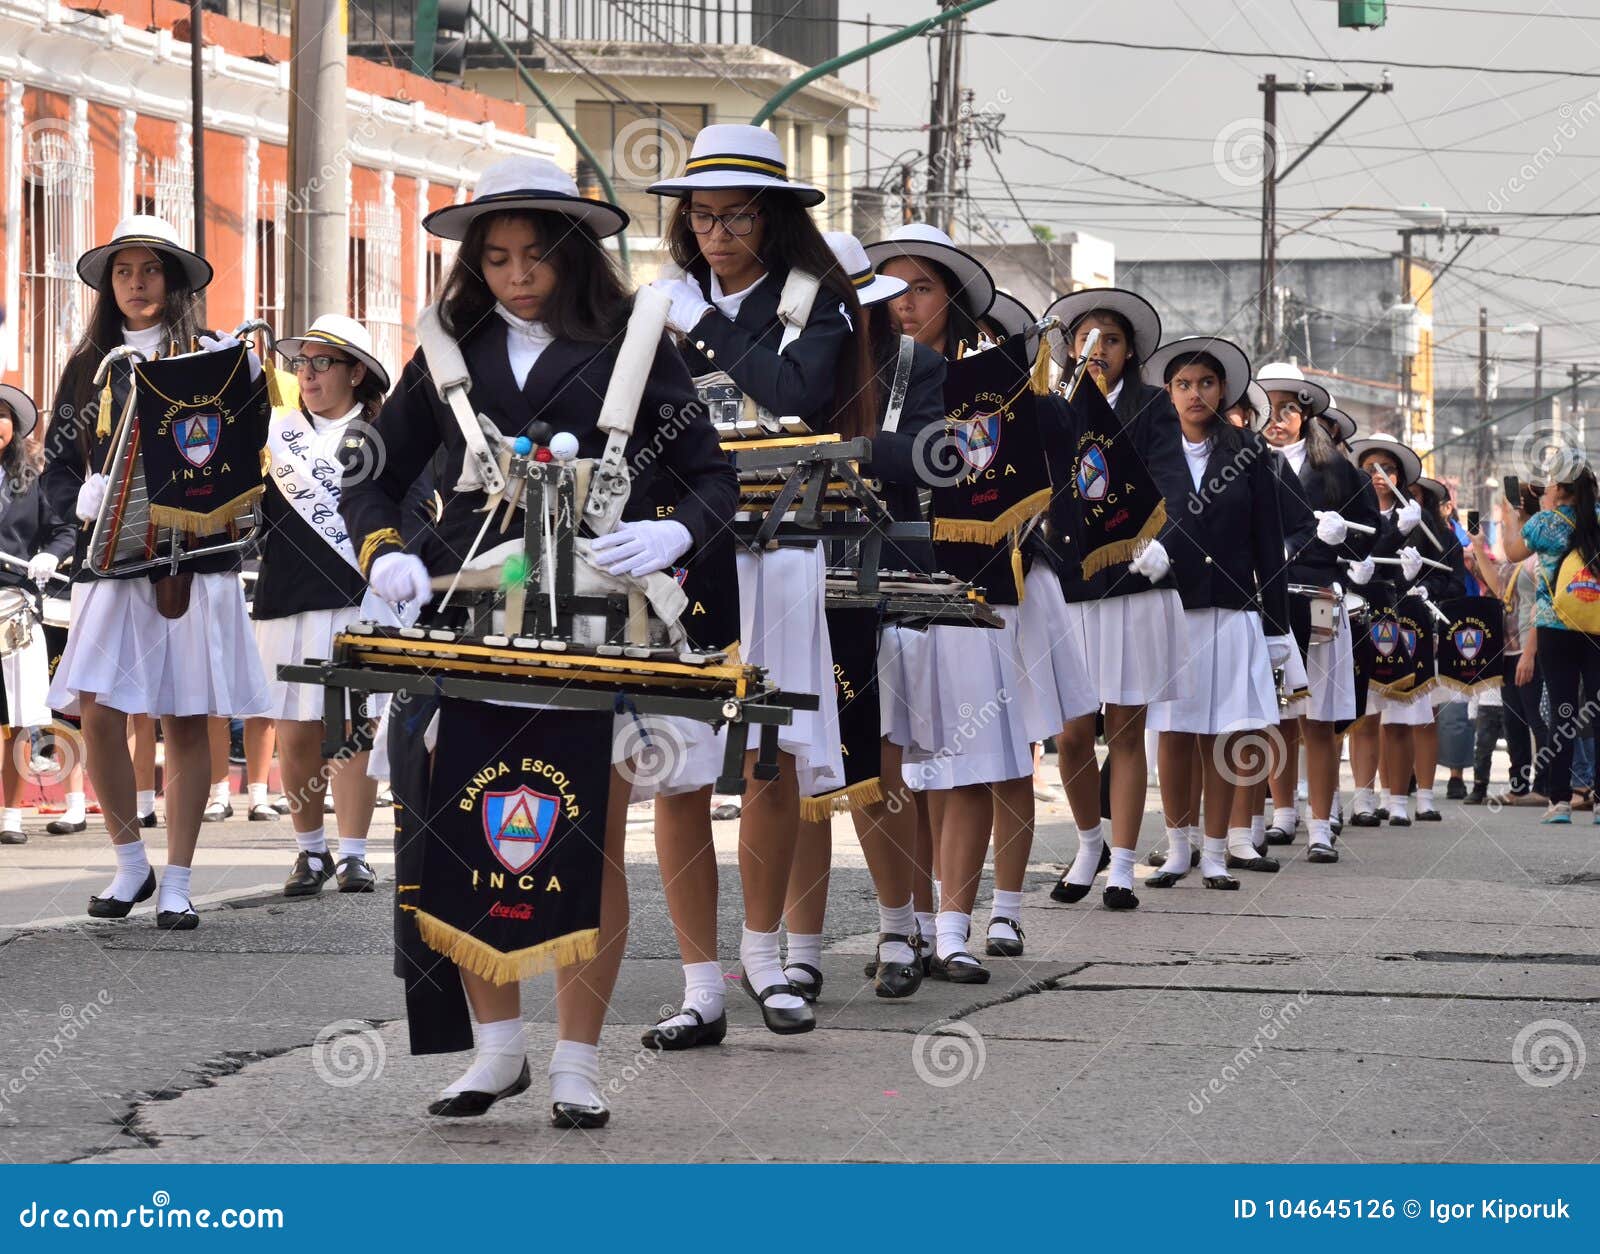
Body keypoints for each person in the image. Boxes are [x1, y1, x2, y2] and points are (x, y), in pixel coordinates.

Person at [341, 156, 737, 1124]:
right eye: (497, 258)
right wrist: (385, 551)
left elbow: (709, 476)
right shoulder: (444, 348)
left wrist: (675, 531)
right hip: (466, 615)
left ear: (571, 257)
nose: (515, 276)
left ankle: (577, 1063)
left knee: (584, 839)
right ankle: (494, 1053)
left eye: (533, 257)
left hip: (589, 619)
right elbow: (371, 474)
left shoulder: (635, 343)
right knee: (466, 832)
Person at [642, 123, 863, 1029]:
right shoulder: (658, 295)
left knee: (772, 759)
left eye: (735, 217)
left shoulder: (819, 300)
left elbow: (798, 393)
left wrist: (705, 327)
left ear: (772, 218)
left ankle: (765, 958)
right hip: (683, 548)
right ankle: (700, 987)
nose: (717, 234)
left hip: (778, 543)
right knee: (680, 765)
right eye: (702, 217)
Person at [42, 215, 270, 928]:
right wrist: (75, 500)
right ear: (109, 285)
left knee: (186, 716)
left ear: (173, 280)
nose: (136, 283)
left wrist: (250, 382)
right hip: (111, 555)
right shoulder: (87, 364)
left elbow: (246, 444)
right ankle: (128, 861)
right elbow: (56, 464)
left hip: (192, 554)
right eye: (123, 271)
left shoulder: (209, 351)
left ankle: (178, 878)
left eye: (149, 269)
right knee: (100, 712)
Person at [864, 222, 1038, 979]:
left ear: (955, 305)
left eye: (922, 288)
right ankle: (896, 929)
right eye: (890, 289)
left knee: (965, 764)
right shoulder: (853, 374)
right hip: (869, 583)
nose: (903, 304)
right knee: (885, 766)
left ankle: (955, 929)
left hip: (967, 583)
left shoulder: (990, 391)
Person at [776, 231, 947, 1003]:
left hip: (874, 578)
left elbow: (926, 457)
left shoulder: (920, 367)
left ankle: (897, 924)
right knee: (791, 759)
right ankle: (801, 947)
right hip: (785, 572)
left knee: (873, 762)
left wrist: (840, 445)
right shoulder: (780, 367)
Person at [1038, 290, 1190, 911]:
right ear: (1070, 348)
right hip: (1071, 583)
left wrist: (1163, 542)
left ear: (1130, 354)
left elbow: (1173, 483)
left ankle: (1124, 865)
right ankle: (1088, 842)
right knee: (1072, 734)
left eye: (1111, 340)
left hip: (1132, 581)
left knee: (1126, 728)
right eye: (1085, 339)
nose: (1096, 350)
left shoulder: (1154, 407)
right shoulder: (1052, 408)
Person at [1141, 337, 1291, 891]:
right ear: (1168, 392)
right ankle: (1178, 849)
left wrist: (1278, 630)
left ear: (1222, 389)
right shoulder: (1147, 450)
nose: (1195, 393)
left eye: (1206, 382)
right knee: (1176, 734)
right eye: (1184, 384)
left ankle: (1218, 852)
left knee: (1227, 735)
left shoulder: (1251, 453)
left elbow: (1269, 544)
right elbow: (1125, 524)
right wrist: (1139, 556)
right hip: (1170, 608)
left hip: (1232, 610)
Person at [255, 314, 394, 897]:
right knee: (296, 727)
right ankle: (310, 852)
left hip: (359, 593)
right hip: (288, 590)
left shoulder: (385, 438)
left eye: (322, 363)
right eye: (301, 363)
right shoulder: (276, 432)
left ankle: (356, 852)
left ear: (356, 372)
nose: (307, 375)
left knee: (357, 726)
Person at [1256, 362, 1378, 863]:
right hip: (1269, 599)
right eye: (1269, 406)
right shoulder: (1245, 464)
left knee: (1319, 720)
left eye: (1288, 407)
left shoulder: (1337, 470)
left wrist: (1344, 536)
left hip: (1320, 596)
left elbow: (1374, 534)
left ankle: (1321, 824)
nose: (1277, 417)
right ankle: (1282, 812)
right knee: (1276, 717)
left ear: (1305, 414)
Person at [1503, 449, 1600, 824]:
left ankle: (1559, 801)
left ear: (1559, 487)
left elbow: (1512, 554)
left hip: (1555, 627)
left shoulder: (1545, 523)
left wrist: (1512, 516)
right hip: (1595, 624)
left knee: (1563, 711)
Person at [0, 385, 75, 844]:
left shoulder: (28, 479)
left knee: (18, 716)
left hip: (13, 606)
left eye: (2, 417)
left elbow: (63, 530)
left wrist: (51, 556)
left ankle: (10, 816)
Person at [1344, 434, 1429, 827]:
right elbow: (1360, 558)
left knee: (1398, 714)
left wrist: (1416, 573)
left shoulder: (1416, 516)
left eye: (1387, 468)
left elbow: (1444, 564)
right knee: (1362, 714)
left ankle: (1398, 799)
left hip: (1396, 616)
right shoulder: (1350, 512)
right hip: (1358, 612)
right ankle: (1362, 798)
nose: (1379, 476)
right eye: (1370, 467)